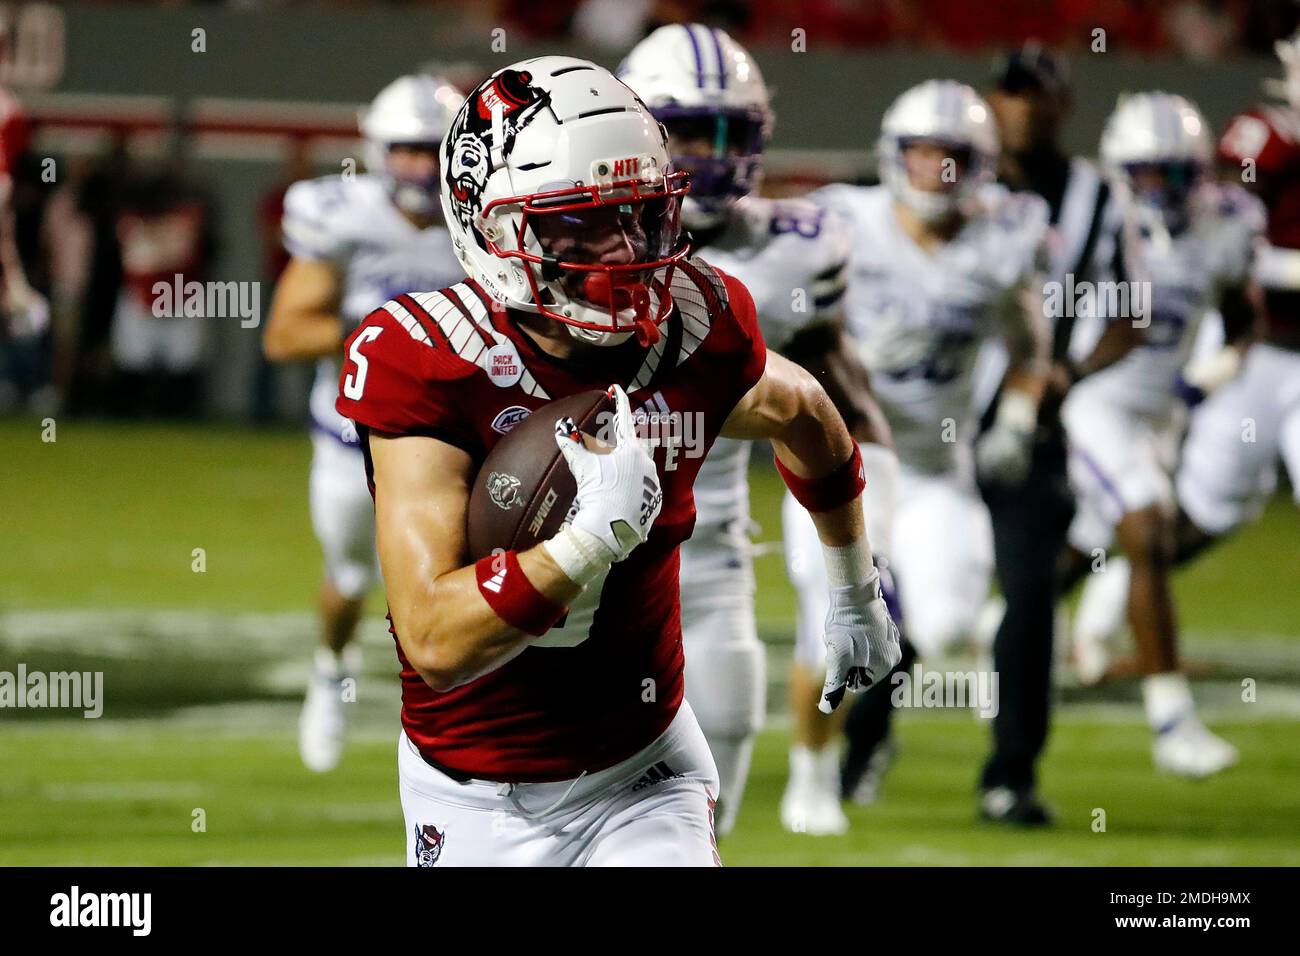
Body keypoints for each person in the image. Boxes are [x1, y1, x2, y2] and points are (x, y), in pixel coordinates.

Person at [334, 57, 900, 866]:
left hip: (644, 772)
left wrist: (852, 589)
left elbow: (806, 411)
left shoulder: (697, 324)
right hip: (471, 789)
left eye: (639, 215)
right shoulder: (430, 357)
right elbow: (433, 638)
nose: (625, 252)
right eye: (581, 225)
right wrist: (584, 543)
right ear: (490, 227)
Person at [619, 23, 885, 837]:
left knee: (703, 823)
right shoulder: (567, 232)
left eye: (731, 133)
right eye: (692, 131)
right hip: (562, 560)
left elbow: (820, 400)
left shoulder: (796, 249)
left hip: (704, 556)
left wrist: (856, 576)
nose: (713, 154)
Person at [789, 78, 1051, 826]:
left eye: (953, 157)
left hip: (937, 469)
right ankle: (814, 775)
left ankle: (891, 626)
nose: (937, 172)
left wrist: (1021, 414)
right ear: (892, 157)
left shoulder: (1009, 236)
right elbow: (777, 320)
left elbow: (1031, 345)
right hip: (838, 459)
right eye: (922, 154)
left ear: (983, 163)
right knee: (829, 620)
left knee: (943, 631)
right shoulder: (840, 223)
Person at [1073, 37, 1300, 680]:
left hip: (1248, 347)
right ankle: (1100, 607)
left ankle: (1107, 595)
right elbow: (1221, 256)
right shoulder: (1263, 144)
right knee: (1166, 509)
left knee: (1171, 509)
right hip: (1253, 359)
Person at [262, 74, 467, 772]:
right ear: (377, 150)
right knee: (350, 577)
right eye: (405, 150)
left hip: (454, 441)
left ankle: (469, 722)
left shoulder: (484, 224)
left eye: (430, 150)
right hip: (352, 439)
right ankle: (331, 672)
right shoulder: (339, 215)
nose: (416, 165)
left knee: (457, 583)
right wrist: (393, 332)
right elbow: (286, 334)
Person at [1059, 92, 1262, 778]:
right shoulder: (1091, 220)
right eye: (1147, 172)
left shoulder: (1227, 224)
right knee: (1144, 529)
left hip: (1161, 415)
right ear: (1120, 170)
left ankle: (1006, 635)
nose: (1161, 189)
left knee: (1088, 547)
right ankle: (1172, 721)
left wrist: (1217, 370)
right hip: (1094, 403)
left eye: (1175, 173)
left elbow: (1244, 314)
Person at [959, 44, 1133, 824]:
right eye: (1013, 92)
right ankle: (858, 739)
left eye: (1040, 94)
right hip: (935, 424)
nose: (1025, 107)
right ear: (993, 100)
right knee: (907, 591)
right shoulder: (956, 177)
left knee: (1030, 596)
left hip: (1035, 425)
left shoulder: (1099, 197)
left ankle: (1011, 774)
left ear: (1064, 105)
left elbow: (1130, 313)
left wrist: (1070, 374)